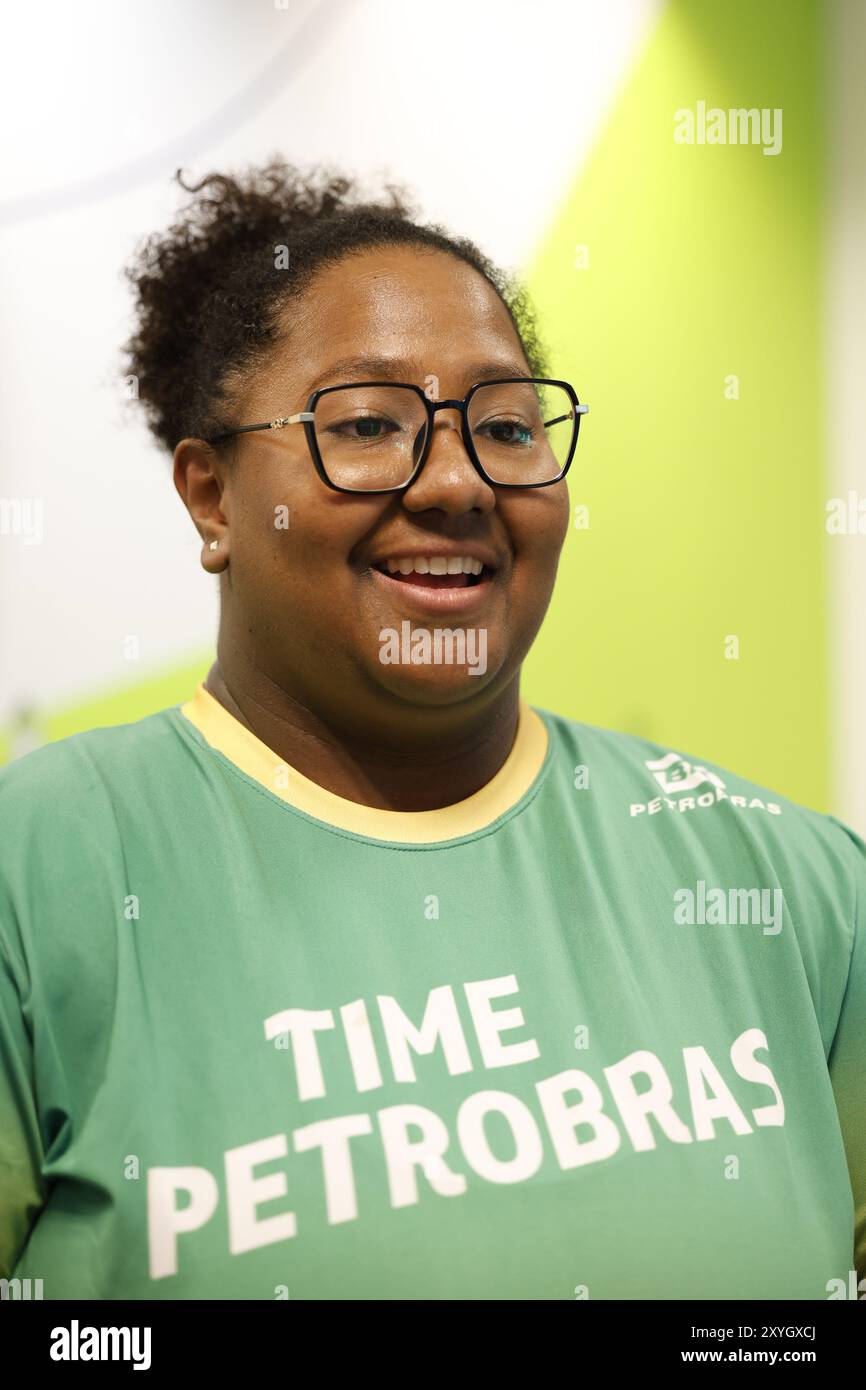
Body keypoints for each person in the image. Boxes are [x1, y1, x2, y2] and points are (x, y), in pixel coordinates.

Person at [0, 160, 863, 1302]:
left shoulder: (786, 881)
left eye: (505, 426)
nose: (456, 481)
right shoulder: (44, 869)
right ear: (212, 499)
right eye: (367, 423)